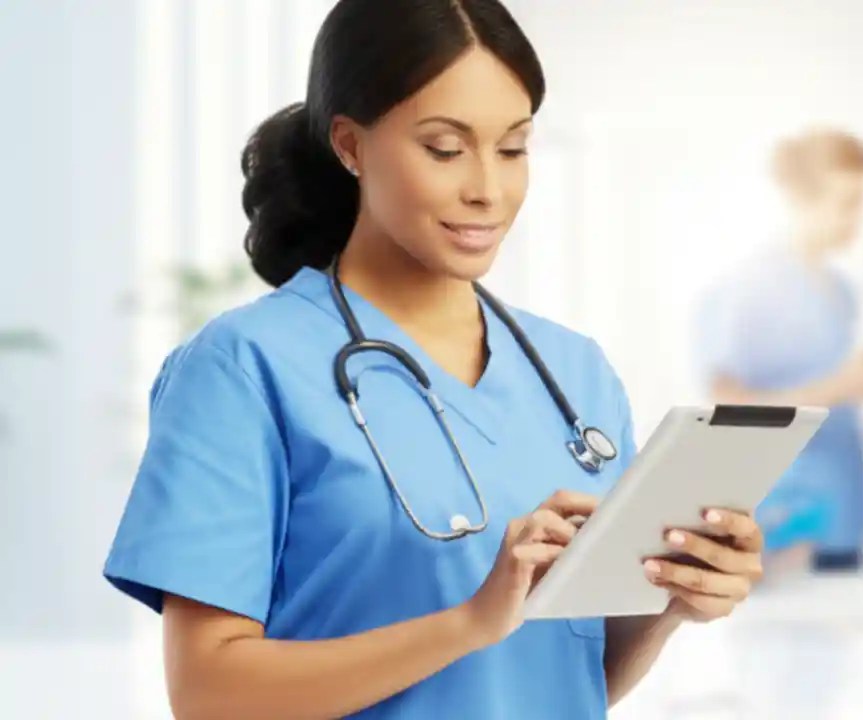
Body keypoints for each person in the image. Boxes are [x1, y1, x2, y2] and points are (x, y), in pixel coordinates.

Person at [101, 2, 765, 718]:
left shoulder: (575, 374)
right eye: (445, 149)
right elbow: (208, 694)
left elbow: (565, 679)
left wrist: (672, 603)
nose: (487, 189)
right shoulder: (243, 368)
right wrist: (468, 623)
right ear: (350, 146)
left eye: (513, 149)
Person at [696, 128, 863, 573]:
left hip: (845, 519)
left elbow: (858, 398)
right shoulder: (748, 287)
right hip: (783, 522)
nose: (857, 220)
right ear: (800, 200)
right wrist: (841, 386)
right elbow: (726, 411)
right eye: (847, 204)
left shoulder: (842, 292)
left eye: (862, 204)